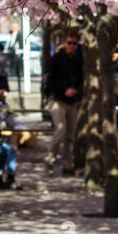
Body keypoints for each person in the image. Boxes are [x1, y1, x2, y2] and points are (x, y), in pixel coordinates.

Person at [43, 30, 83, 175]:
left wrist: (76, 93)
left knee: (70, 135)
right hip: (57, 99)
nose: (72, 46)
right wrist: (63, 91)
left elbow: (82, 80)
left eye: (74, 43)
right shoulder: (56, 59)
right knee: (60, 131)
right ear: (64, 44)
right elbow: (49, 81)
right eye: (69, 43)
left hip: (72, 101)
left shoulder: (80, 59)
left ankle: (68, 165)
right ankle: (49, 160)